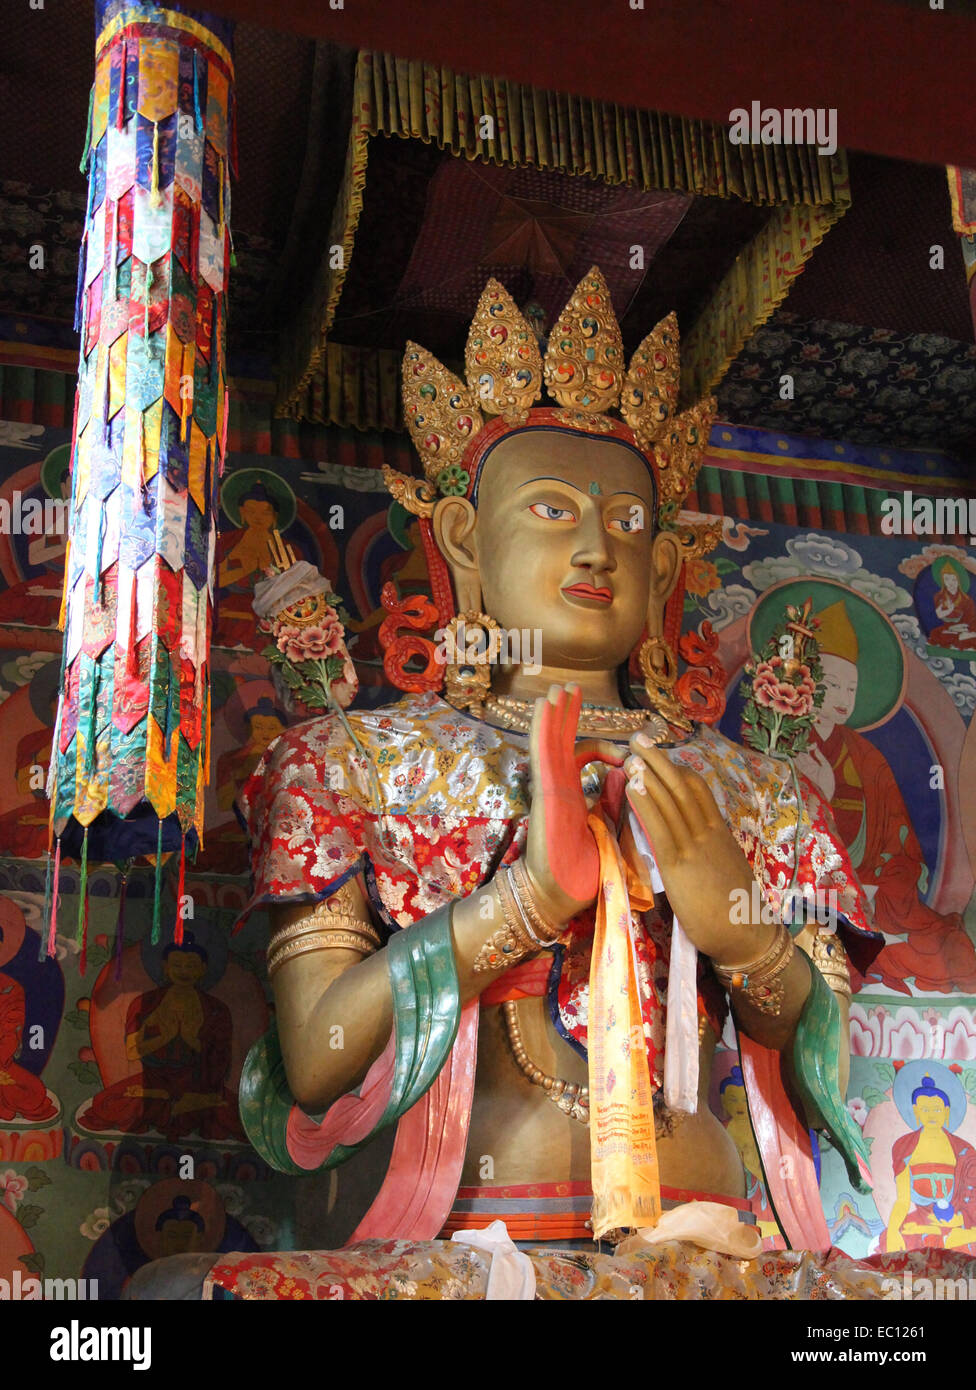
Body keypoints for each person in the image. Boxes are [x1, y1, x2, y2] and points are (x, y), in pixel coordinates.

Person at [795, 598, 976, 994]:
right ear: (808, 685)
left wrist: (880, 881)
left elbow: (902, 848)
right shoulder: (786, 745)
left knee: (945, 947)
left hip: (870, 891)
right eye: (834, 685)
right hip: (805, 888)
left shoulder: (866, 756)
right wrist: (820, 796)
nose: (844, 696)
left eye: (852, 687)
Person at [79, 933, 244, 1141]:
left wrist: (191, 1039)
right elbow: (132, 1052)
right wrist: (165, 1036)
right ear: (165, 967)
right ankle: (172, 1101)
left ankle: (184, 1102)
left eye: (191, 965)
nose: (184, 971)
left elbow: (221, 1062)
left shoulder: (216, 1010)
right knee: (106, 1105)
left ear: (203, 969)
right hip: (154, 1080)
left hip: (197, 1082)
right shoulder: (145, 1003)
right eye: (177, 965)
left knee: (235, 1114)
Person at [884, 1075, 976, 1254]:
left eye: (937, 1109)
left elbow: (973, 1198)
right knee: (891, 1243)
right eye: (925, 1109)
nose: (931, 1115)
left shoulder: (964, 1150)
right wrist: (893, 1231)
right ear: (916, 1111)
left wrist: (959, 1220)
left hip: (957, 1221)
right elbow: (903, 1200)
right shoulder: (904, 1147)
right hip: (921, 1222)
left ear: (947, 1111)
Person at [928, 561, 976, 652]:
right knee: (935, 634)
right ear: (943, 581)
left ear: (959, 581)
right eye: (947, 579)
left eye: (954, 579)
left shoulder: (967, 600)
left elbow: (972, 618)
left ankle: (965, 636)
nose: (951, 583)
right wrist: (949, 611)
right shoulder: (939, 597)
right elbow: (938, 615)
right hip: (949, 629)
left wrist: (964, 628)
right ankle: (961, 637)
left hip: (965, 627)